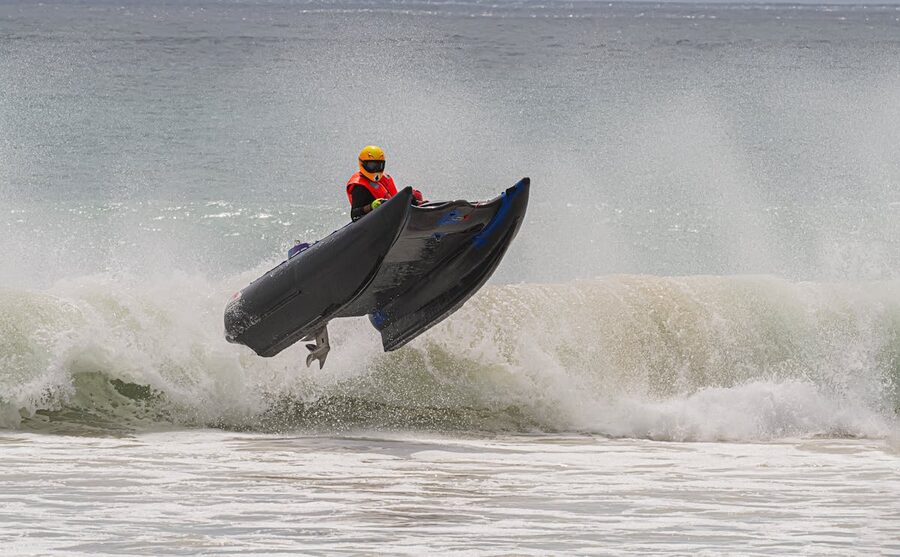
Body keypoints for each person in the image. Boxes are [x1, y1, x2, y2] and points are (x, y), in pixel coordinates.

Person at [346, 145, 424, 221]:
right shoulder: (359, 187)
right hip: (373, 221)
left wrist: (411, 200)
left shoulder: (385, 179)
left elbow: (393, 199)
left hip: (390, 215)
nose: (376, 169)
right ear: (363, 164)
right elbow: (354, 215)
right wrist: (371, 206)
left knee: (415, 194)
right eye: (372, 165)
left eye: (379, 165)